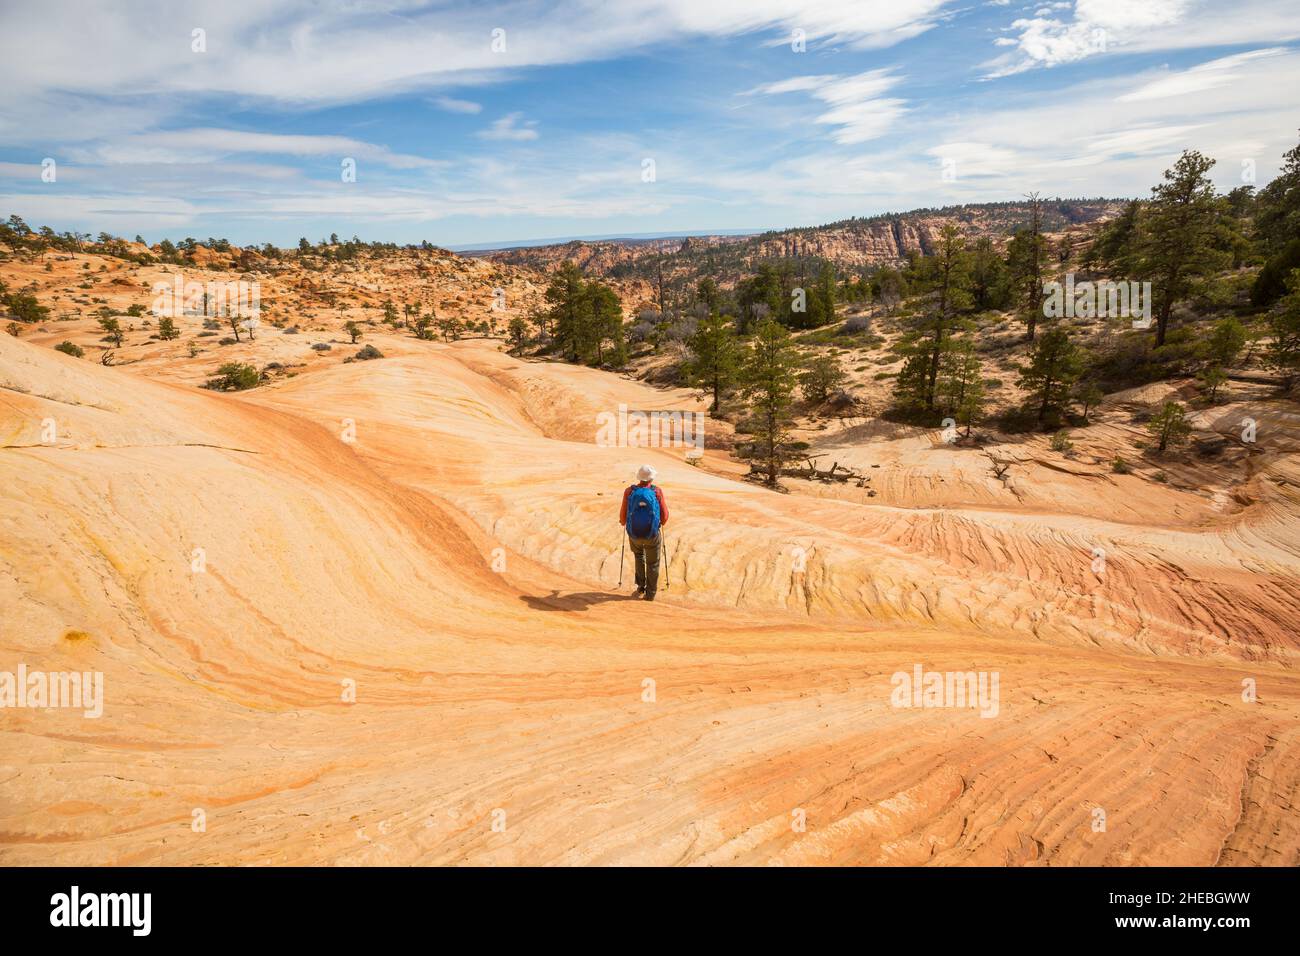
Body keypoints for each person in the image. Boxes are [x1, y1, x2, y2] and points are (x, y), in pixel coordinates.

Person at [619, 464, 668, 601]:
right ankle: (650, 594)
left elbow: (623, 516)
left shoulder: (629, 491)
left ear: (639, 477)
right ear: (651, 478)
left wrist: (624, 523)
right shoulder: (656, 491)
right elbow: (665, 516)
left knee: (639, 556)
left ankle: (640, 586)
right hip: (652, 534)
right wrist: (660, 522)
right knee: (653, 563)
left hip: (634, 534)